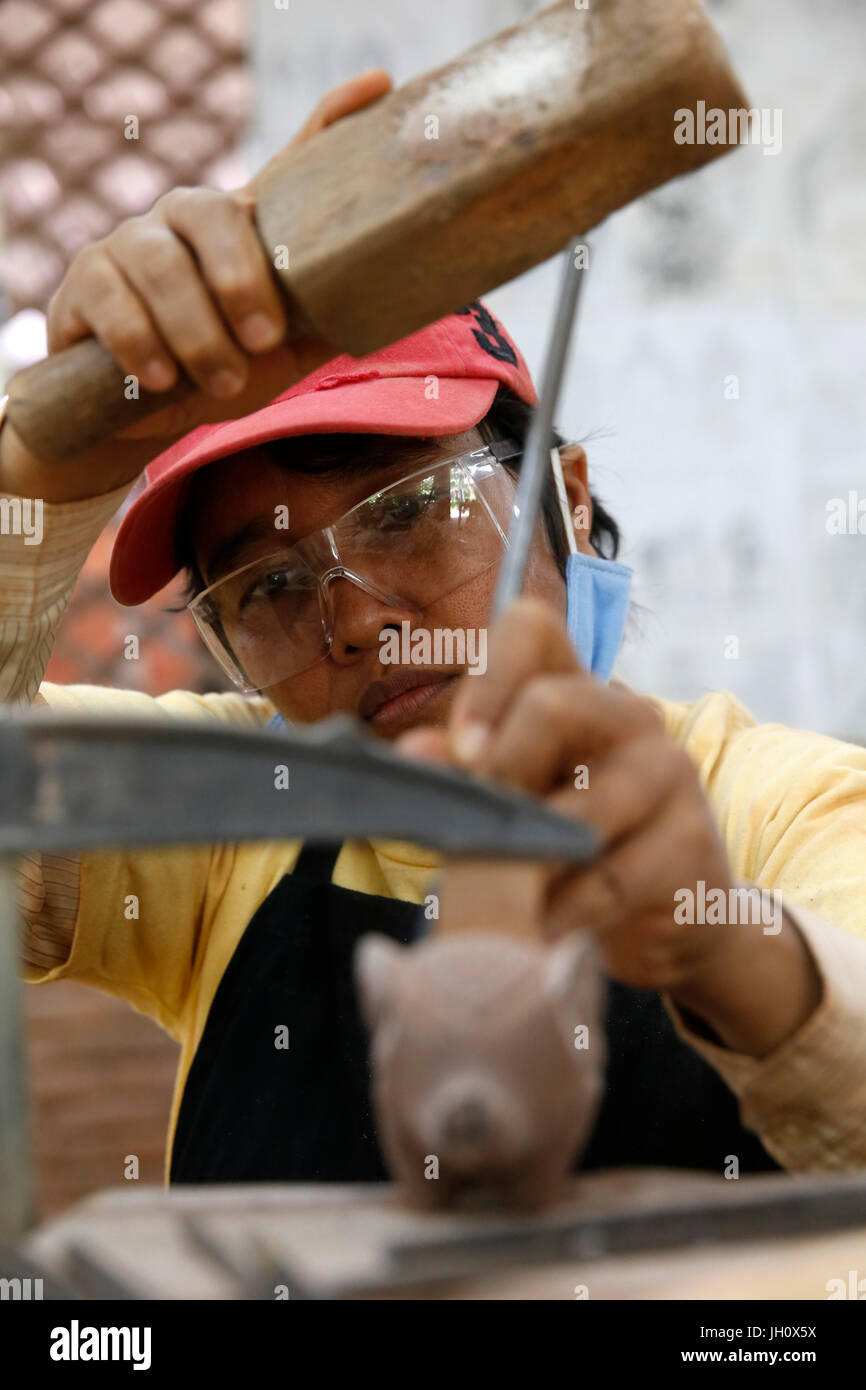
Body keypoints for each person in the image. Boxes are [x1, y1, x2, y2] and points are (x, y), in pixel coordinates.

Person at [2, 73, 865, 1186]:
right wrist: (53, 458)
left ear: (563, 494)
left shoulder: (777, 807)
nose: (354, 622)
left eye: (414, 511)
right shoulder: (224, 828)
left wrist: (723, 945)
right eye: (264, 590)